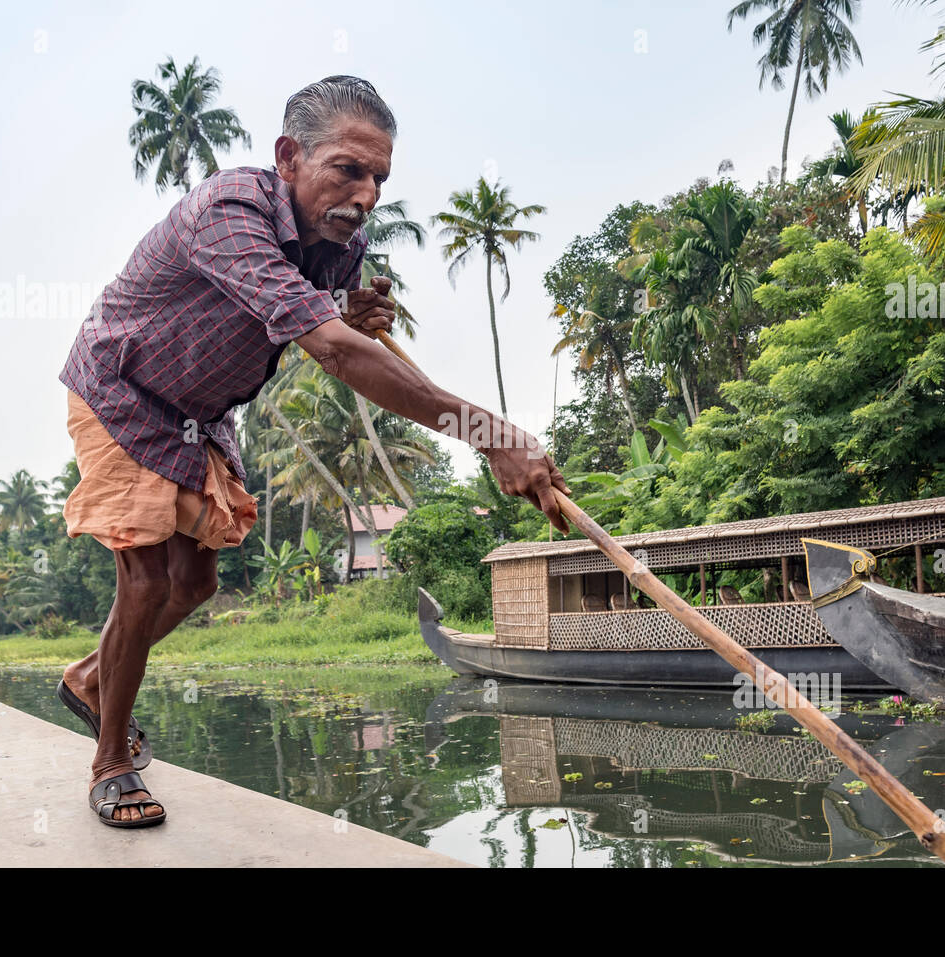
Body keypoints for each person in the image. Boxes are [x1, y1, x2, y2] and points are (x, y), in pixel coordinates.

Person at [56, 75, 570, 827]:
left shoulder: (340, 246)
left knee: (195, 582)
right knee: (144, 576)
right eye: (348, 169)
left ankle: (90, 676)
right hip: (123, 388)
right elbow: (333, 352)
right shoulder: (229, 211)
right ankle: (110, 762)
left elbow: (326, 326)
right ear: (289, 157)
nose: (364, 195)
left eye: (379, 179)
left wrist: (345, 307)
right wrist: (491, 434)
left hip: (199, 413)